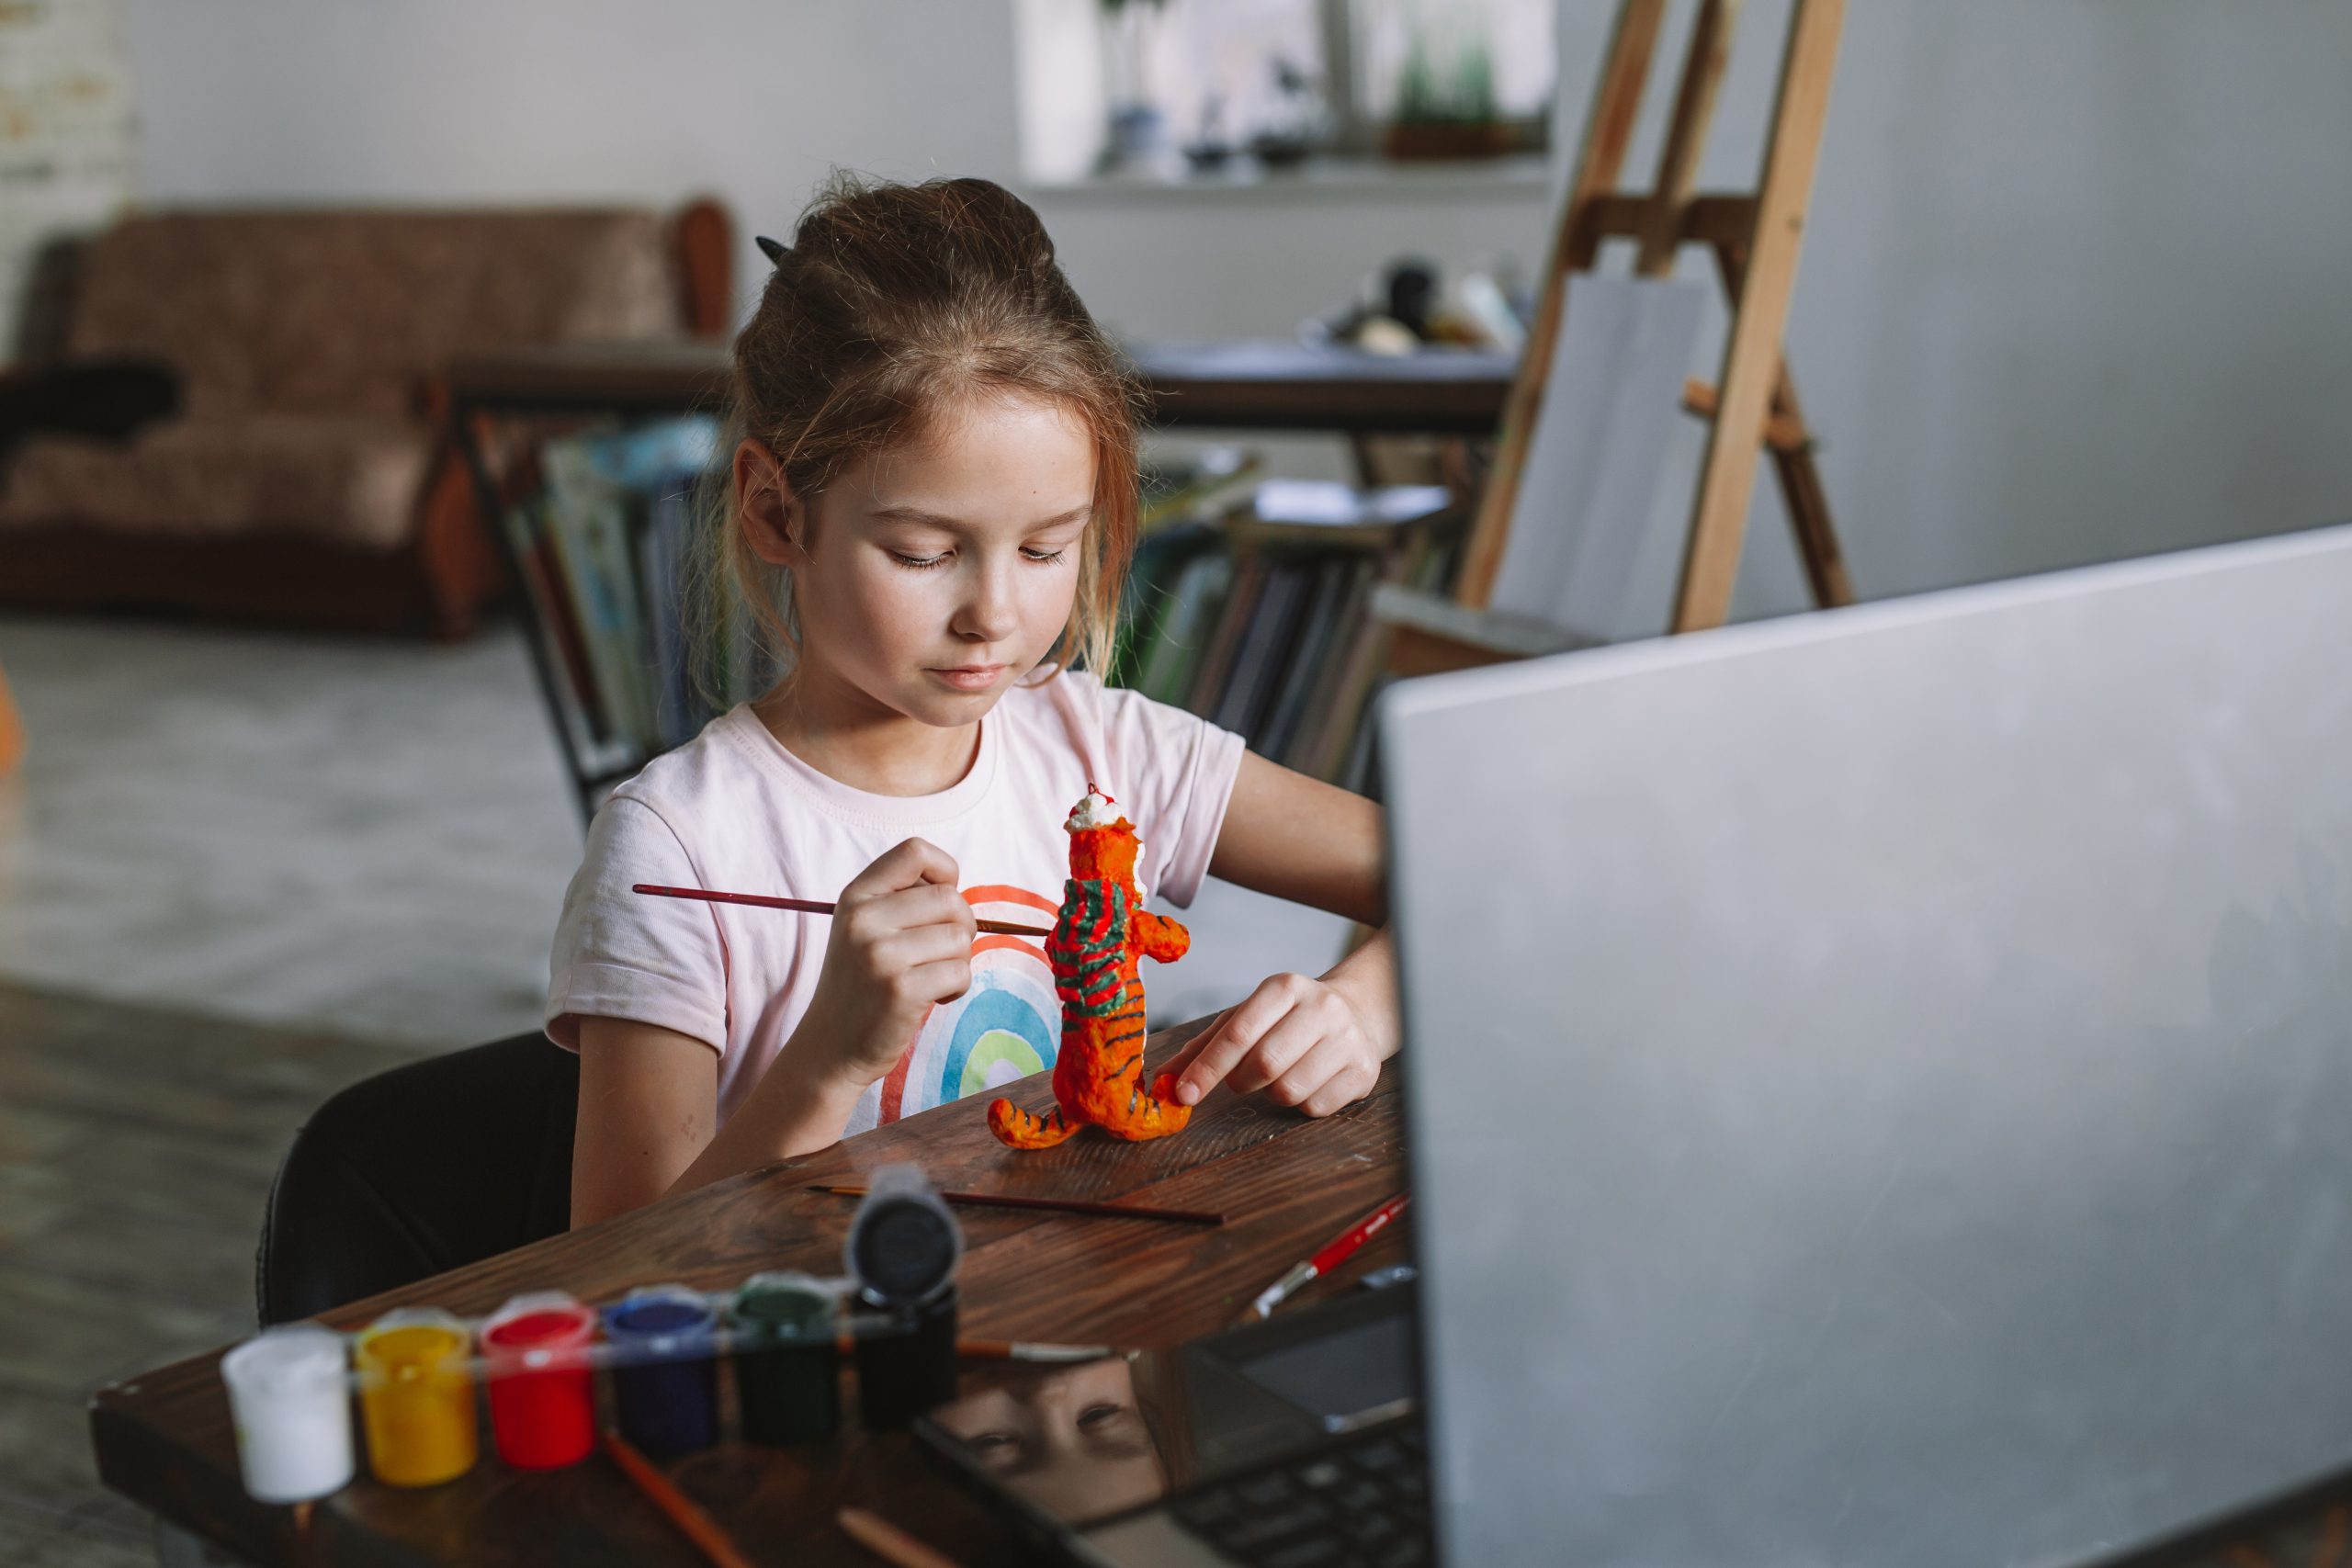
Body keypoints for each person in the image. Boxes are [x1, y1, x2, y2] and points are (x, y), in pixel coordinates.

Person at [551, 175, 1396, 1227]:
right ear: (775, 511)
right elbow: (619, 1280)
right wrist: (826, 1061)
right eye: (925, 552)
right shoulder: (676, 848)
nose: (993, 613)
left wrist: (1362, 1009)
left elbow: (1451, 877)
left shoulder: (1106, 753)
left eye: (1047, 547)